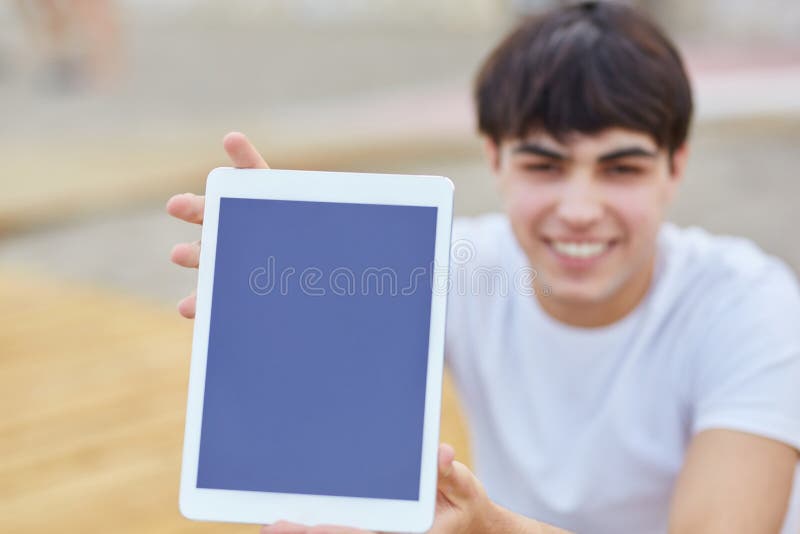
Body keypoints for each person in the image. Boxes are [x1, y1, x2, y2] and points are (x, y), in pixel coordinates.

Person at [166, 2, 800, 533]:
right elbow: (329, 359)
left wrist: (493, 529)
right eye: (544, 166)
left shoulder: (751, 307)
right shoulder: (450, 266)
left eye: (621, 168)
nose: (579, 210)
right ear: (495, 161)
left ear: (676, 167)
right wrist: (286, 262)